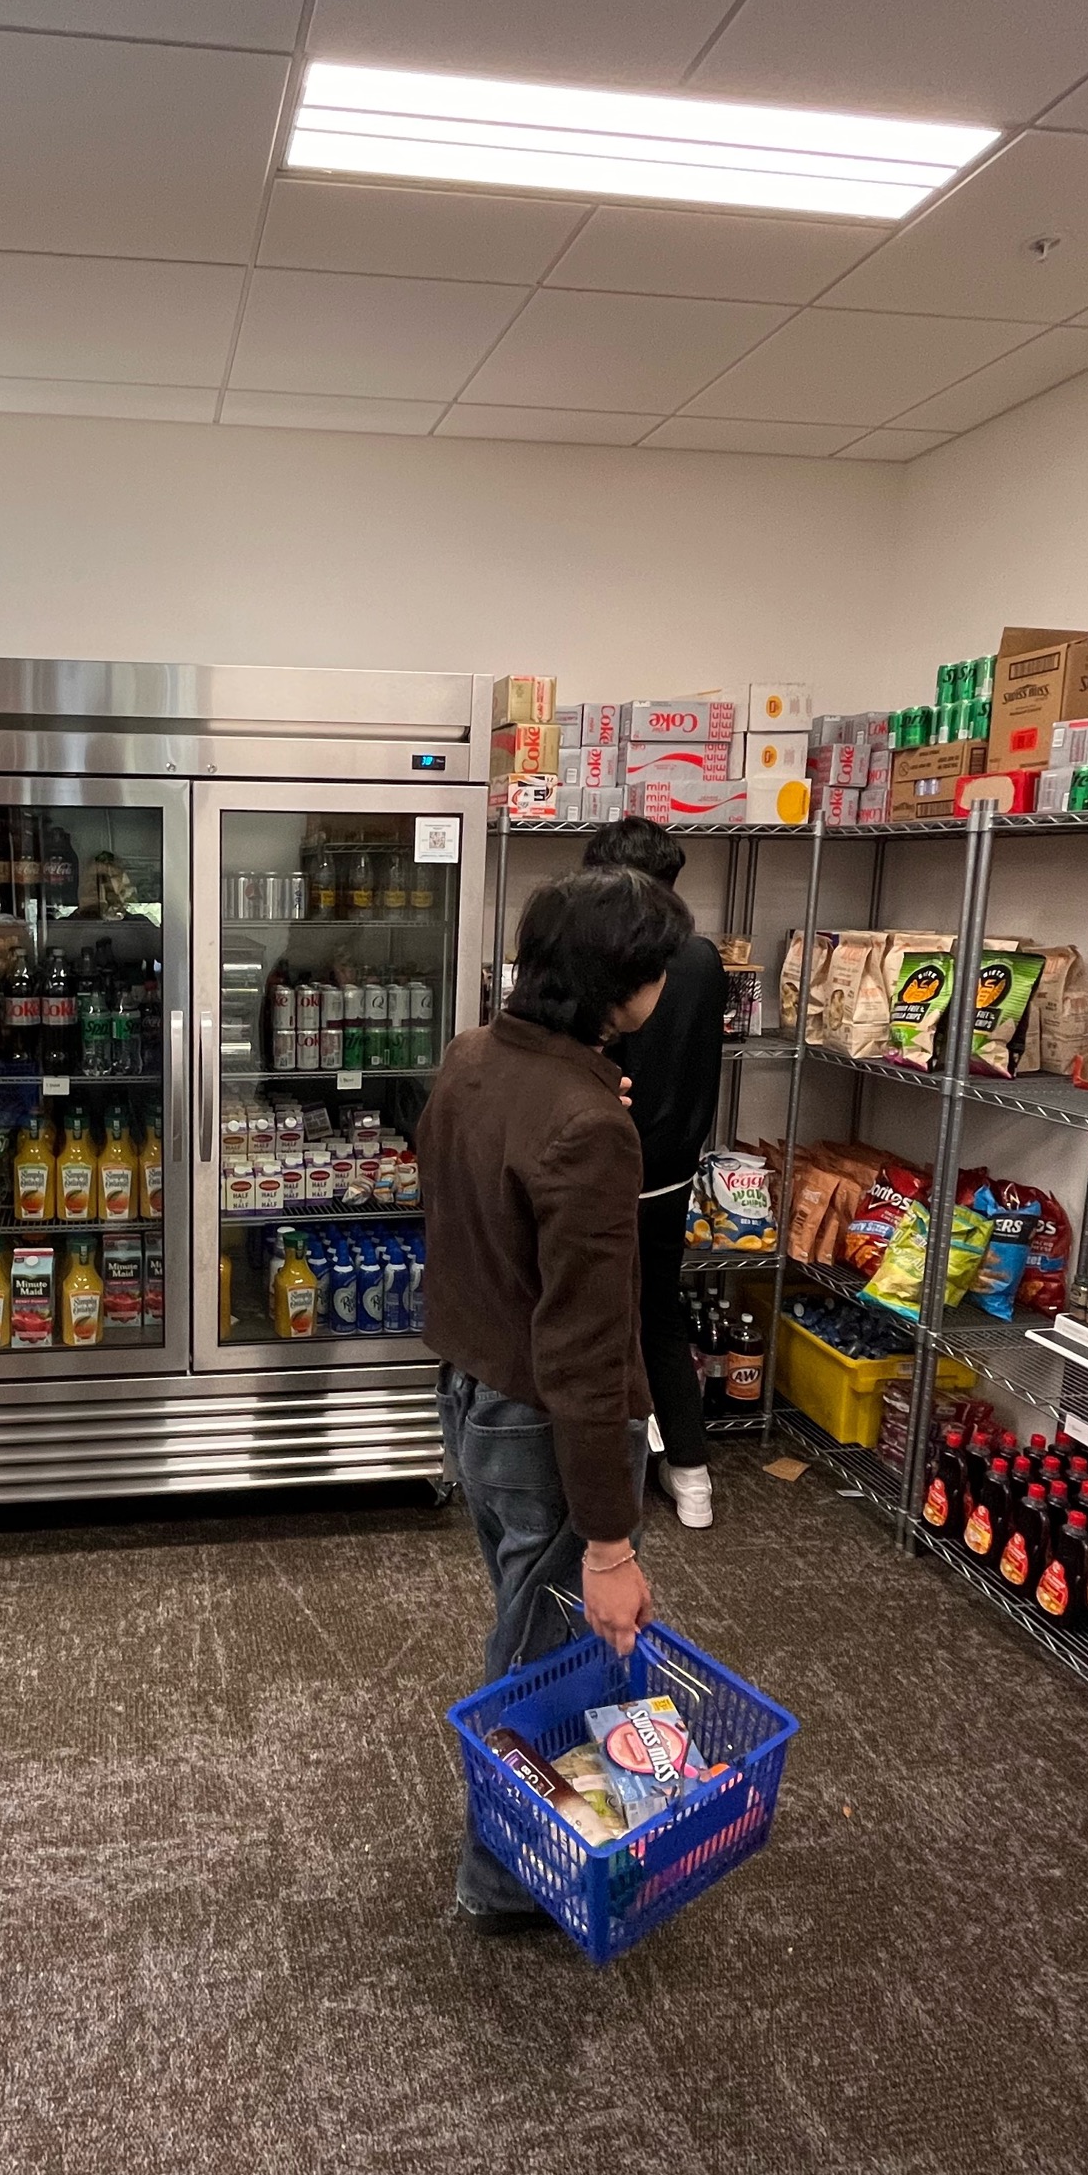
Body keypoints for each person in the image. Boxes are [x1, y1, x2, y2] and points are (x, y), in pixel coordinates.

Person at [417, 865, 692, 1925]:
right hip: (546, 1424)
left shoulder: (473, 1055)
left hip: (472, 1393)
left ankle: (560, 1842)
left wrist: (586, 1090)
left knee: (530, 1621)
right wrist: (613, 1545)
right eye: (657, 969)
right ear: (621, 985)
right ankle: (503, 1879)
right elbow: (583, 1350)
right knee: (547, 1655)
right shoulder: (592, 1126)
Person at [584, 814, 730, 1531]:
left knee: (591, 1318)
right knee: (659, 1318)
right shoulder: (703, 959)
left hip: (606, 1172)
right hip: (673, 1173)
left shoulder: (615, 962)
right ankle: (692, 1477)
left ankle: (598, 1473)